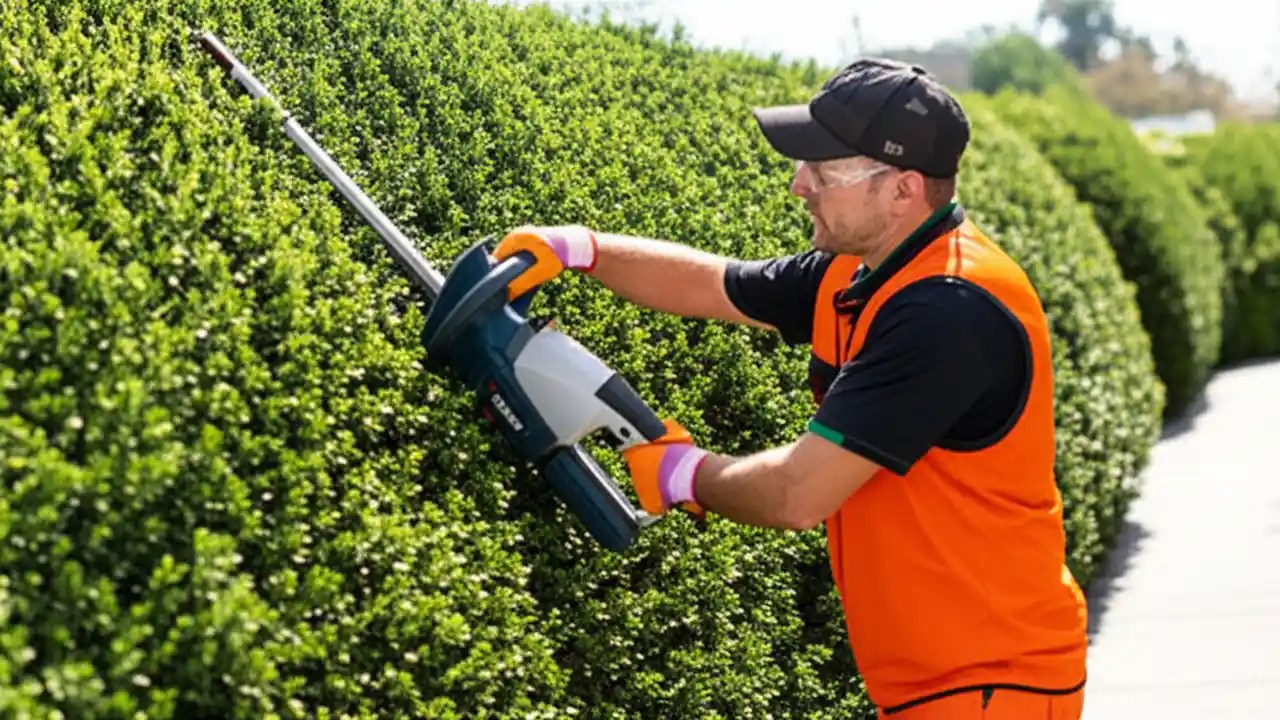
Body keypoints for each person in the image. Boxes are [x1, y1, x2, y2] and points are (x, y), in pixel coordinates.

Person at [491, 58, 1089, 720]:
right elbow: (713, 284)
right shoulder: (862, 271)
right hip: (945, 682)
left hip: (991, 684)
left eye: (824, 171)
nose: (798, 184)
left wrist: (686, 474)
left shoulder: (947, 312)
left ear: (903, 190)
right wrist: (582, 250)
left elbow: (797, 493)